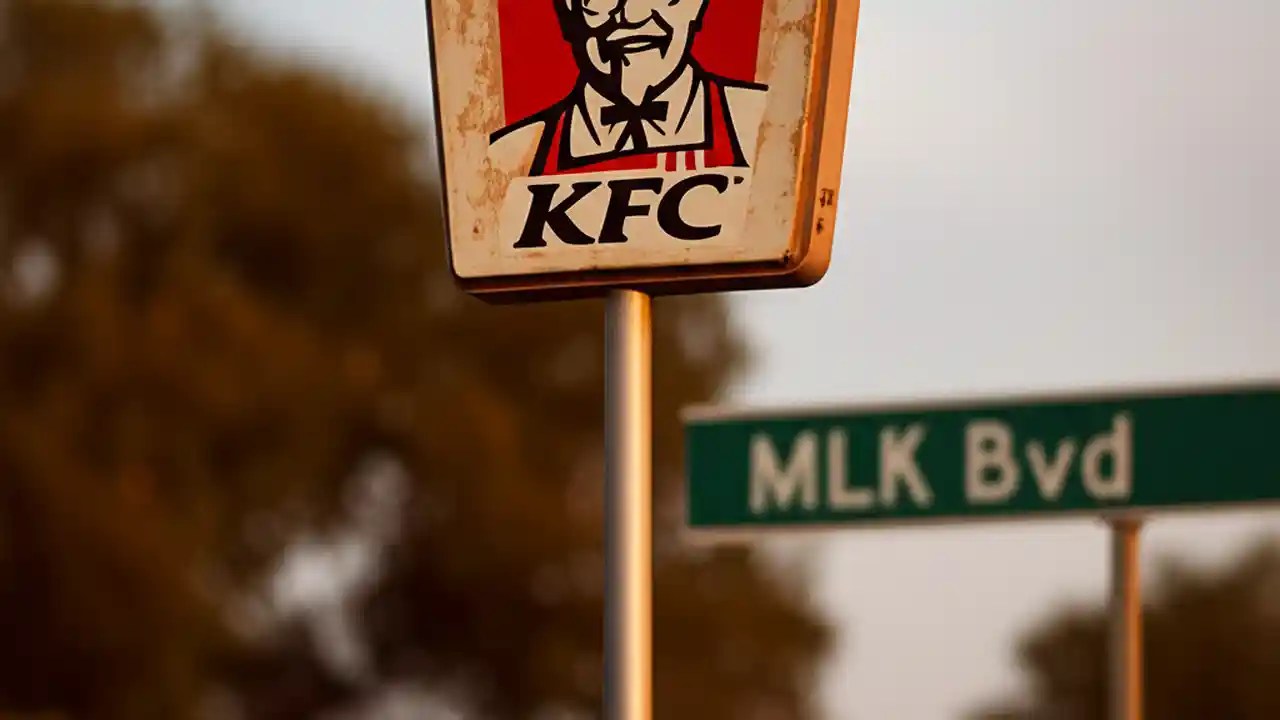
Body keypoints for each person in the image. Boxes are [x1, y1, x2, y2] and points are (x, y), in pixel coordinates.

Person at [490, 0, 768, 177]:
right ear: (568, 13)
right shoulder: (508, 158)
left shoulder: (767, 129)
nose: (633, 16)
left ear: (695, 5)